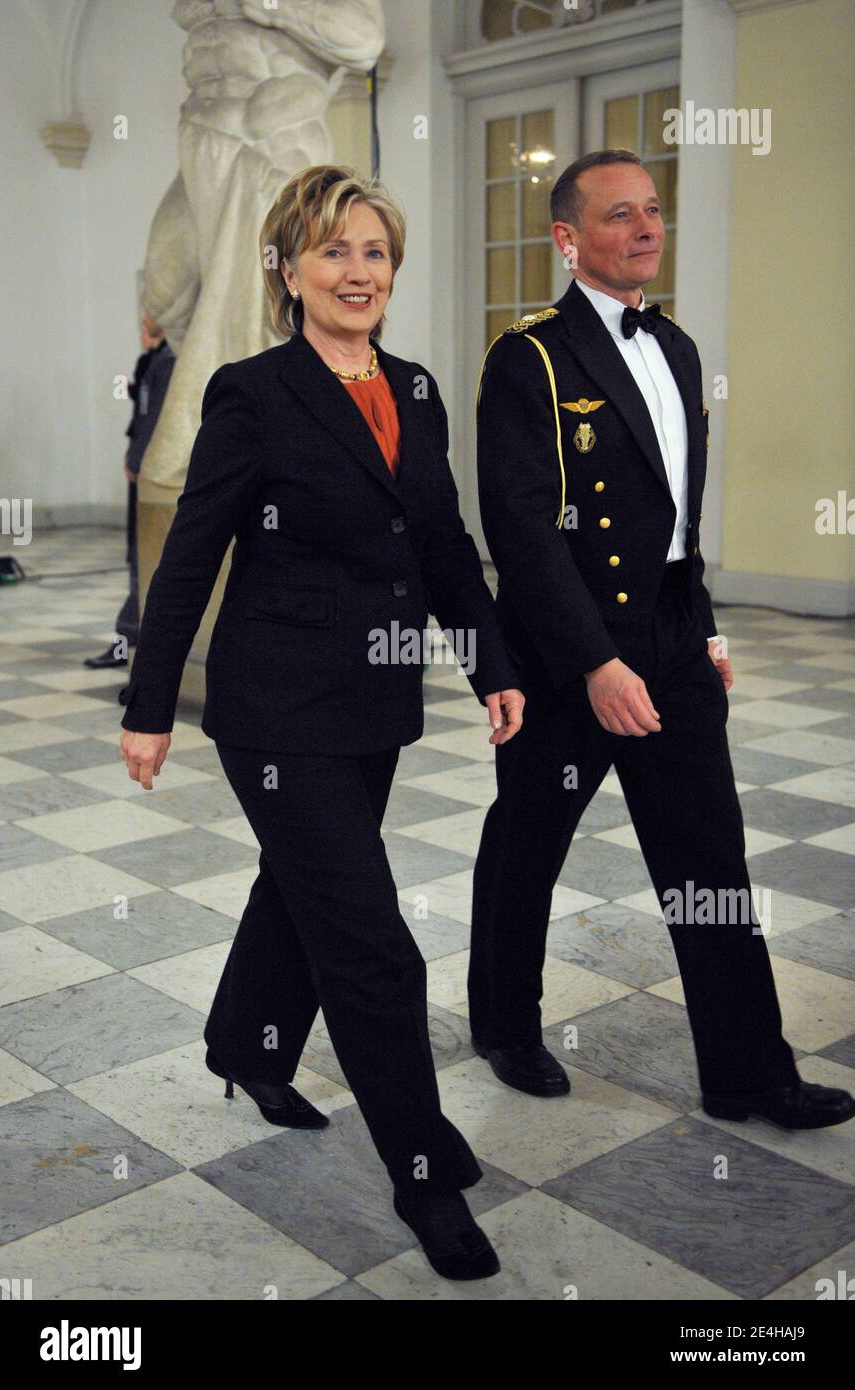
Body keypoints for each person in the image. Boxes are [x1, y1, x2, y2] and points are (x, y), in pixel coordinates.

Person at [118, 164, 525, 1280]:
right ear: (288, 268)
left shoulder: (420, 389)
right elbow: (194, 548)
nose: (358, 271)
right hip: (275, 708)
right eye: (334, 250)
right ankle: (423, 1173)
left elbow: (441, 544)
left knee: (299, 891)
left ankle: (241, 1045)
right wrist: (150, 706)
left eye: (375, 252)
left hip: (373, 701)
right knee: (369, 942)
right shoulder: (253, 391)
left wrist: (489, 661)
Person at [469, 148, 854, 1131]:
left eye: (652, 212)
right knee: (528, 839)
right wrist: (594, 662)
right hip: (568, 651)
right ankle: (504, 1023)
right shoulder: (531, 358)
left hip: (674, 633)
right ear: (567, 238)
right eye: (618, 215)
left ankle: (747, 1071)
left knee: (709, 858)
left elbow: (675, 516)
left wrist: (708, 624)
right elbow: (519, 525)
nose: (646, 229)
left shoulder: (678, 348)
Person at [85, 315, 175, 669]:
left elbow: (157, 420)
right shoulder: (153, 360)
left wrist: (138, 460)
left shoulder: (168, 362)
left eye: (148, 323)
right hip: (141, 469)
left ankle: (127, 641)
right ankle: (127, 641)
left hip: (149, 472)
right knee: (138, 557)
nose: (142, 328)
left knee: (144, 559)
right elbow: (143, 408)